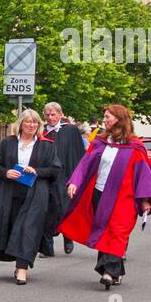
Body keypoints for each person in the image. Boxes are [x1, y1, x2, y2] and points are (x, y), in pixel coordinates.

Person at [58, 104, 151, 288]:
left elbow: (144, 174)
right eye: (104, 117)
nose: (104, 120)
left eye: (108, 117)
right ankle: (115, 270)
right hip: (99, 192)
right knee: (104, 230)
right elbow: (85, 163)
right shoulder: (100, 142)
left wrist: (145, 199)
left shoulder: (135, 147)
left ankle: (108, 271)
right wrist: (75, 181)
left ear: (119, 120)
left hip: (124, 196)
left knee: (118, 231)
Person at [0, 108, 59, 285]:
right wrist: (6, 172)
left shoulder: (46, 145)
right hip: (10, 193)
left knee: (28, 229)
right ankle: (17, 263)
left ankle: (22, 268)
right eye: (28, 121)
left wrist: (36, 171)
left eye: (35, 122)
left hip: (35, 193)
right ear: (20, 124)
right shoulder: (8, 142)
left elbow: (54, 169)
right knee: (13, 226)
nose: (31, 125)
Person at [41, 102, 86, 253]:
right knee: (46, 211)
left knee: (64, 209)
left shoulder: (71, 130)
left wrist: (77, 178)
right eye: (47, 115)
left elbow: (78, 154)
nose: (50, 118)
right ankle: (47, 247)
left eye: (53, 114)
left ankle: (68, 236)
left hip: (65, 176)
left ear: (61, 115)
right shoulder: (41, 132)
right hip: (46, 177)